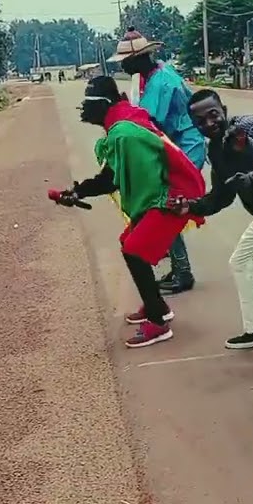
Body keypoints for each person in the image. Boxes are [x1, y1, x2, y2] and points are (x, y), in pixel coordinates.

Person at [53, 76, 204, 347]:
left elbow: (133, 181)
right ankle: (157, 305)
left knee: (134, 249)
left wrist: (143, 216)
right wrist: (78, 192)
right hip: (166, 189)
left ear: (103, 104)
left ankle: (158, 323)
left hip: (174, 193)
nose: (83, 110)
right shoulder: (121, 123)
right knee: (129, 243)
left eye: (88, 104)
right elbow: (112, 176)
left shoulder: (123, 133)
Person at [181, 88, 253, 376]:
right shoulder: (215, 149)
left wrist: (252, 177)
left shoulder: (248, 126)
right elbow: (223, 196)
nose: (209, 123)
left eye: (213, 115)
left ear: (223, 110)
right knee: (240, 262)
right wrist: (191, 207)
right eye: (200, 121)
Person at [115, 27, 206, 295]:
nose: (124, 64)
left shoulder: (160, 83)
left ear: (141, 59)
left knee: (167, 206)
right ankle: (179, 266)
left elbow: (151, 122)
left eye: (127, 60)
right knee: (166, 206)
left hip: (186, 148)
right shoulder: (157, 75)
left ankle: (183, 270)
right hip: (181, 145)